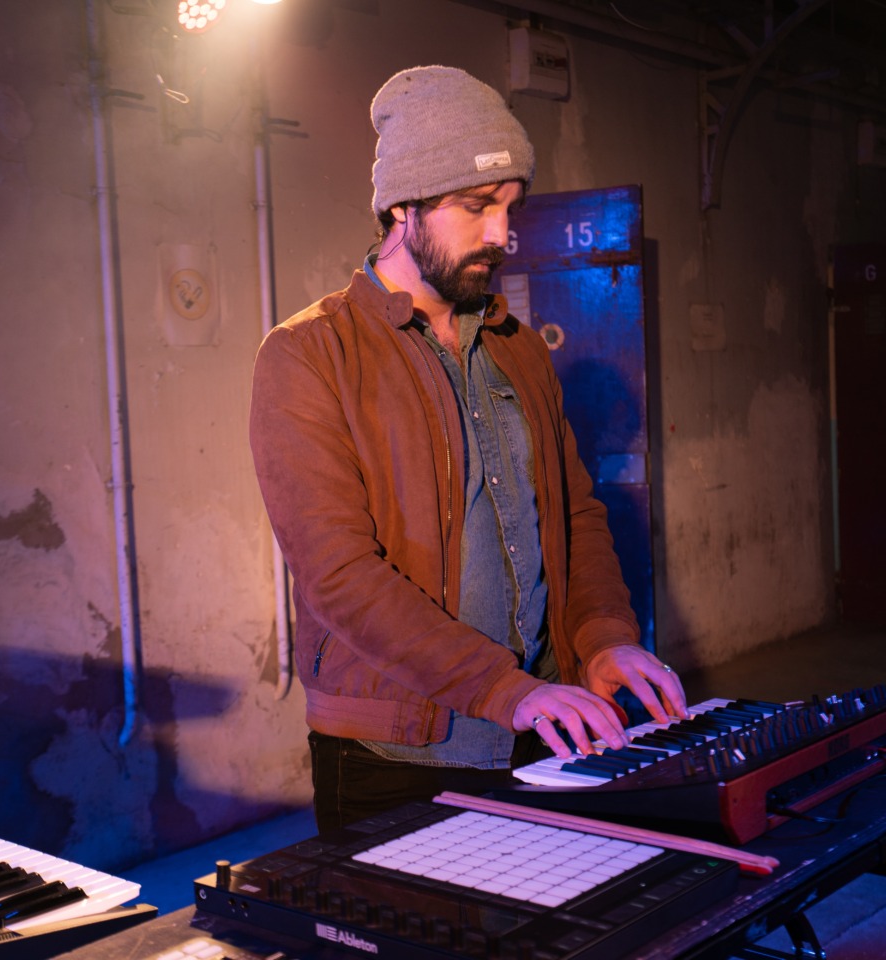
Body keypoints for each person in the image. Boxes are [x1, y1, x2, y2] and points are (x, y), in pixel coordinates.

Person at [249, 65, 686, 832]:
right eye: (476, 206)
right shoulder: (308, 356)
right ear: (400, 205)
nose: (500, 234)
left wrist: (605, 643)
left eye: (509, 207)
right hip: (396, 760)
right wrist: (502, 689)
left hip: (544, 728)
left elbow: (576, 519)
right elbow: (339, 576)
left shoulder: (519, 350)